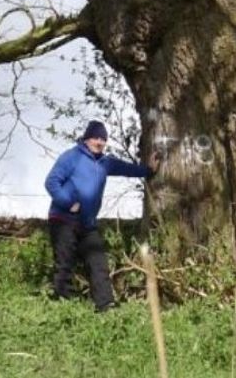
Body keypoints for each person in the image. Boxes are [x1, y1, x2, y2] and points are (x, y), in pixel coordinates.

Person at [44, 120, 159, 311]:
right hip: (64, 219)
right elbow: (51, 182)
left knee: (98, 262)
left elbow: (126, 169)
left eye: (103, 139)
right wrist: (68, 202)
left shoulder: (105, 163)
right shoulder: (72, 157)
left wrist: (148, 170)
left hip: (87, 224)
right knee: (64, 260)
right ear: (87, 139)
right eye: (96, 138)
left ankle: (105, 304)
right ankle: (60, 301)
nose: (99, 142)